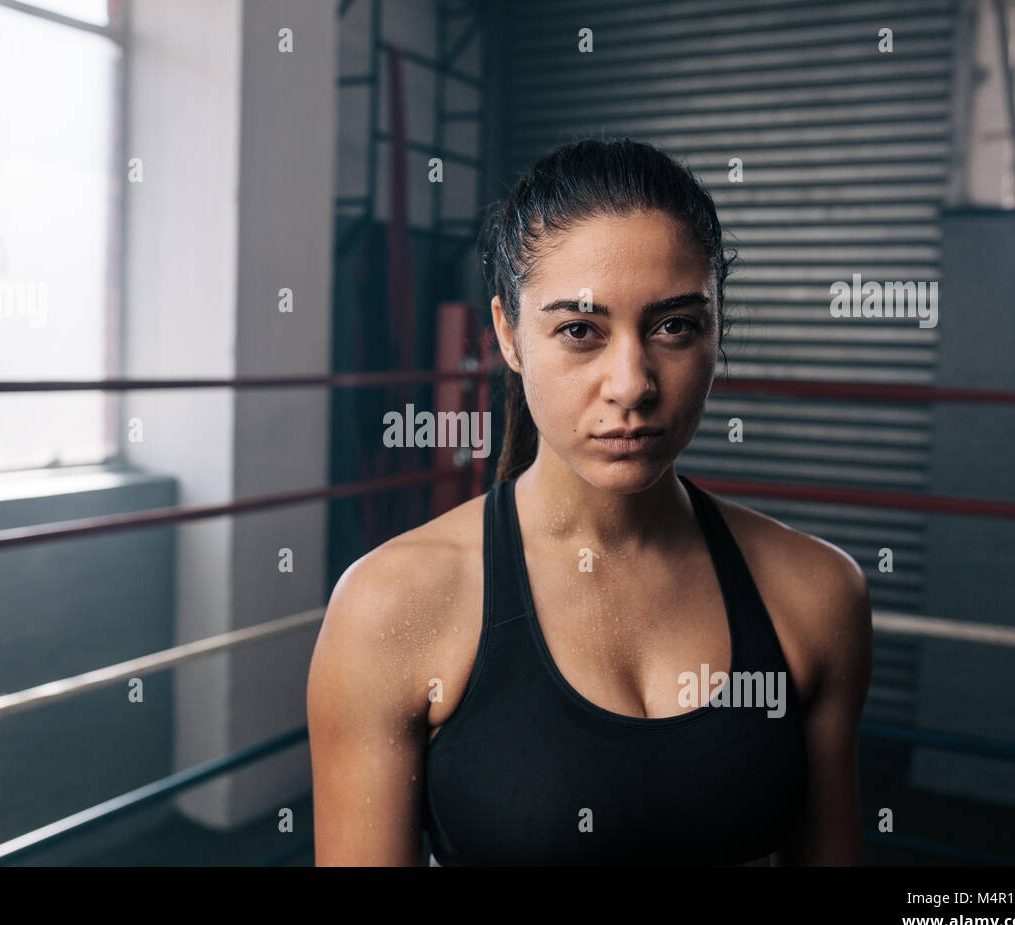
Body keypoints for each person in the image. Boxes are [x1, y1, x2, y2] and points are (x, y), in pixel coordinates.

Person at [307, 137, 872, 866]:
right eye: (580, 331)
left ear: (718, 328)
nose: (632, 383)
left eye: (675, 326)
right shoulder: (390, 605)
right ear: (509, 335)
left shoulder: (817, 593)